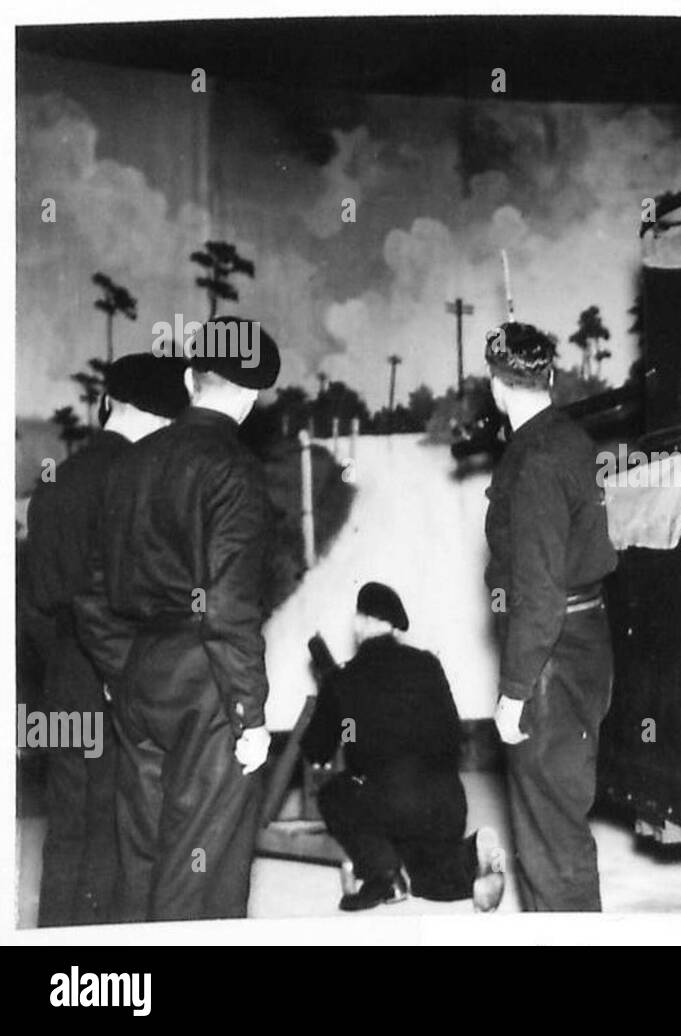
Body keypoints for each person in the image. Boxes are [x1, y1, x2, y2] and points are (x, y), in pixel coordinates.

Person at [75, 316, 280, 922]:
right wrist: (250, 713)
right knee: (201, 861)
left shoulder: (129, 464)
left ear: (192, 377)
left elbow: (90, 592)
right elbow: (229, 607)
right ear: (249, 398)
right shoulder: (234, 470)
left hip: (139, 674)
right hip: (207, 683)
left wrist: (121, 670)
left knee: (141, 851)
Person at [27, 352, 189, 926]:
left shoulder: (57, 480)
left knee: (68, 829)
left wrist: (65, 662)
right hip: (124, 675)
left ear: (109, 404)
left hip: (62, 677)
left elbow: (37, 597)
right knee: (124, 833)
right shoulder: (144, 478)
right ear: (163, 415)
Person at [482, 322, 618, 911]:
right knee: (563, 810)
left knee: (546, 832)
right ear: (550, 378)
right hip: (586, 641)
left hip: (549, 656)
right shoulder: (571, 440)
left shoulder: (533, 461)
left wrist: (514, 692)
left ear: (496, 386)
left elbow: (537, 593)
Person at [302, 582, 504, 912]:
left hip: (387, 803)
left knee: (334, 794)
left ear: (361, 622)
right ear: (395, 627)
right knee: (428, 878)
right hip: (446, 805)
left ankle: (384, 876)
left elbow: (317, 750)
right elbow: (454, 732)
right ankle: (473, 856)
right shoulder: (428, 664)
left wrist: (335, 710)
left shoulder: (344, 678)